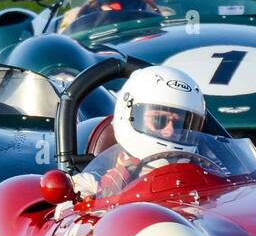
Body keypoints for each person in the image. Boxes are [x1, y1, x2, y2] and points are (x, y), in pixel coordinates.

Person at [74, 65, 207, 199]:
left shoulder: (205, 175)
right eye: (158, 120)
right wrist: (101, 197)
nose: (170, 131)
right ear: (127, 113)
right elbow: (66, 214)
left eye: (181, 125)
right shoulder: (91, 183)